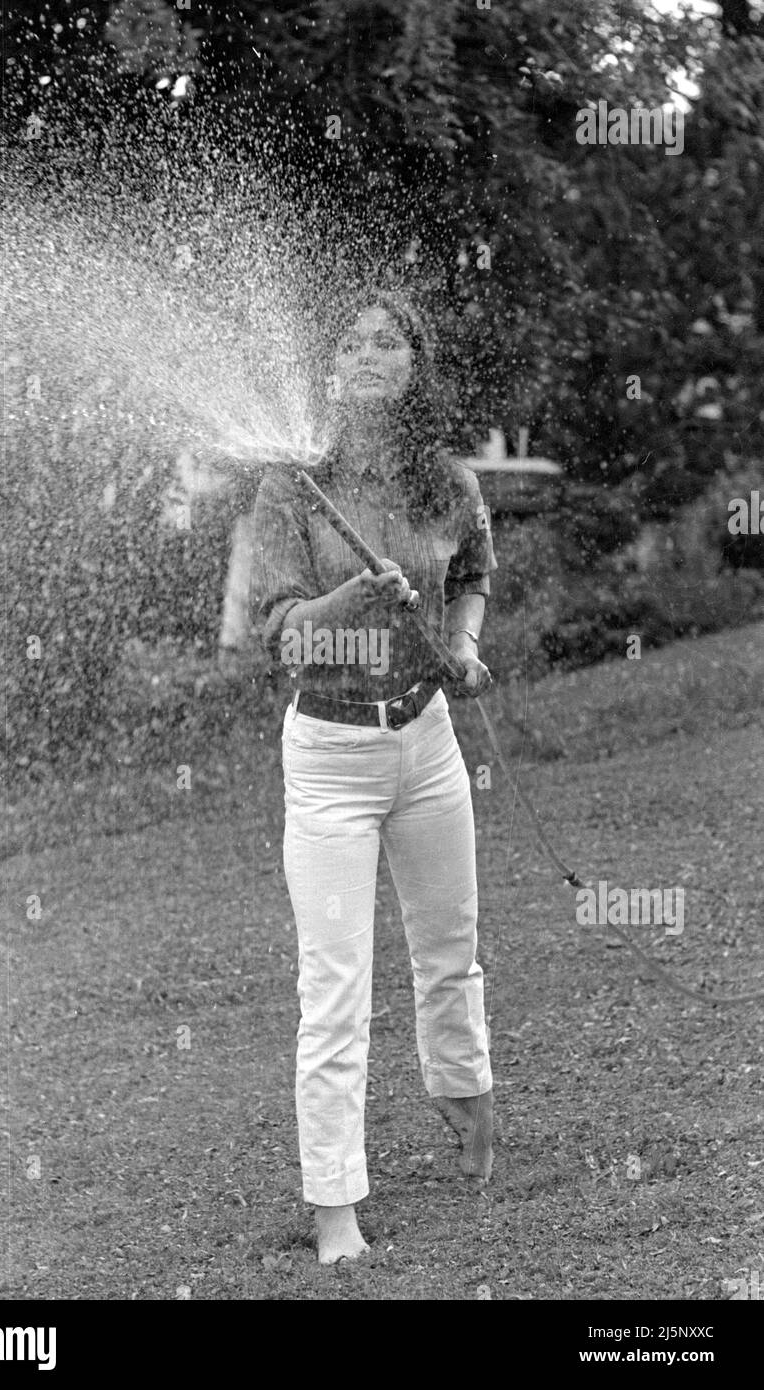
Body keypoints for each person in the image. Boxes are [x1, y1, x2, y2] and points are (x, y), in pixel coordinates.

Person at [251, 289, 497, 1265]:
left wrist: (465, 646)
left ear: (412, 364)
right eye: (348, 339)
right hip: (330, 756)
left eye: (386, 339)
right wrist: (355, 590)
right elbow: (280, 638)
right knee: (336, 986)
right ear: (328, 368)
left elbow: (472, 571)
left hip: (427, 742)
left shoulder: (446, 482)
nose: (366, 352)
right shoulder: (290, 488)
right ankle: (335, 1209)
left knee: (450, 949)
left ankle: (468, 1110)